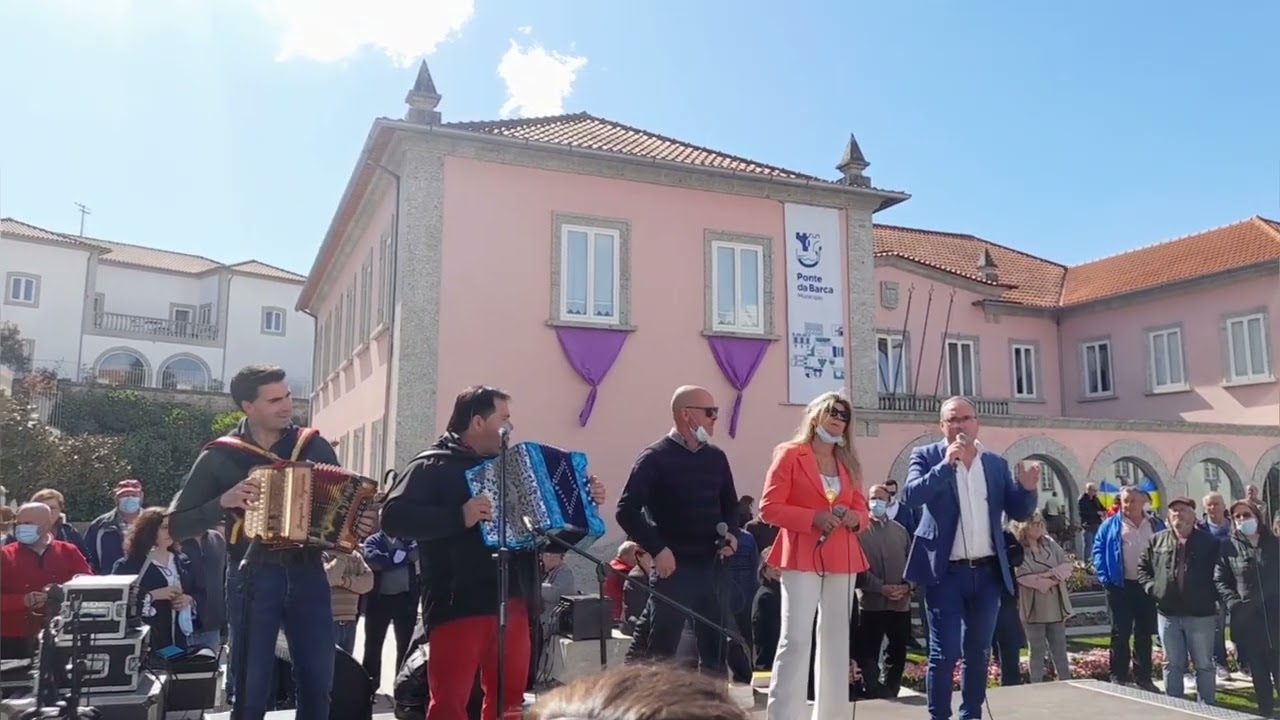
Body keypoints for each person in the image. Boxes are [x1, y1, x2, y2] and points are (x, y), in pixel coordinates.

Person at [380, 385, 607, 720]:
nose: (510, 428)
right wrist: (461, 516)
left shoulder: (511, 467)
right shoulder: (432, 465)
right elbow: (393, 519)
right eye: (504, 420)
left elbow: (543, 537)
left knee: (510, 700)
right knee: (449, 702)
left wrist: (585, 502)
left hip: (512, 597)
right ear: (477, 422)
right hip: (459, 600)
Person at [167, 364, 348, 720]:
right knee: (250, 688)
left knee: (318, 683)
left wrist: (358, 521)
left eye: (288, 396)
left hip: (308, 572)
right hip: (251, 576)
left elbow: (339, 509)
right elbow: (176, 525)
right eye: (274, 400)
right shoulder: (220, 455)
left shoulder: (314, 446)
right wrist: (223, 501)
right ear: (247, 406)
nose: (287, 406)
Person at [899, 396, 1038, 720]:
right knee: (944, 652)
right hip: (945, 573)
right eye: (952, 419)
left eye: (965, 418)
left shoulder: (995, 463)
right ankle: (939, 716)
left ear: (977, 422)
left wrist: (1028, 490)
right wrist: (946, 466)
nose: (960, 425)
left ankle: (971, 714)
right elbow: (911, 496)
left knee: (978, 653)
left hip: (987, 572)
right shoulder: (926, 455)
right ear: (942, 425)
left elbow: (1017, 510)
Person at [757, 391, 869, 719]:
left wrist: (856, 518)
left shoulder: (850, 462)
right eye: (833, 412)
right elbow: (769, 509)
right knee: (795, 638)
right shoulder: (790, 454)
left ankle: (830, 714)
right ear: (815, 414)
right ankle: (785, 715)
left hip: (843, 554)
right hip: (802, 554)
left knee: (836, 641)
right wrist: (813, 517)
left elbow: (862, 507)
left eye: (845, 415)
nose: (839, 418)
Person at [616, 385, 740, 672]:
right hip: (674, 568)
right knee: (662, 651)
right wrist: (657, 549)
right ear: (686, 415)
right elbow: (626, 510)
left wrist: (731, 534)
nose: (714, 419)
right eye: (710, 412)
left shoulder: (716, 457)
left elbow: (730, 506)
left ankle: (710, 710)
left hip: (712, 565)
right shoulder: (654, 458)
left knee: (715, 650)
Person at [1138, 496, 1220, 705]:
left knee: (1203, 665)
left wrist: (1213, 596)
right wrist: (1154, 589)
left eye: (1183, 510)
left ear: (1193, 515)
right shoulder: (1157, 540)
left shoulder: (1210, 542)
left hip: (1200, 614)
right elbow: (1143, 569)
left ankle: (1207, 708)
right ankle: (1174, 707)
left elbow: (1220, 573)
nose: (1178, 514)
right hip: (1168, 614)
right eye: (1174, 511)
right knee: (1171, 664)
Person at [0, 503, 92, 659]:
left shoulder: (68, 551)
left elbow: (88, 587)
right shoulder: (4, 555)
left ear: (47, 523)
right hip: (13, 640)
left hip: (62, 635)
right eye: (19, 523)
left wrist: (61, 592)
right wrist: (23, 601)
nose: (21, 528)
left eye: (28, 523)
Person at [1092, 486, 1162, 690]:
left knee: (1144, 633)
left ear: (1143, 502)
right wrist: (1105, 577)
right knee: (1120, 632)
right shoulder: (1110, 525)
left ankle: (1144, 678)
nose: (1129, 505)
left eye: (1133, 500)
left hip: (1147, 586)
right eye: (1125, 501)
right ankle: (1118, 676)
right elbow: (1098, 549)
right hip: (1120, 586)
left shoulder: (1155, 524)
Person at [1215, 499, 1279, 717]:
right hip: (1248, 622)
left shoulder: (1274, 544)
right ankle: (1266, 713)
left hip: (1275, 618)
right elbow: (1220, 579)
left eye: (1246, 514)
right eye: (1237, 516)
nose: (1242, 519)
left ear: (1257, 516)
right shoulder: (1227, 546)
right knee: (1260, 677)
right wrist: (1234, 603)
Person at [111, 508, 198, 652]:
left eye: (172, 527)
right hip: (148, 643)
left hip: (180, 640)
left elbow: (199, 592)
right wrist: (152, 596)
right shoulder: (128, 565)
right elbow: (118, 603)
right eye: (164, 527)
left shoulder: (183, 561)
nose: (170, 531)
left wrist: (187, 600)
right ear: (149, 531)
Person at [855, 484, 912, 698]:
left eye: (880, 498)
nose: (876, 502)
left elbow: (911, 563)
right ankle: (872, 688)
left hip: (900, 604)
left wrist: (907, 586)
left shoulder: (900, 531)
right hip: (872, 604)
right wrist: (880, 588)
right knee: (868, 650)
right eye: (872, 498)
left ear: (889, 501)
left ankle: (892, 688)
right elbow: (858, 568)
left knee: (897, 649)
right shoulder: (859, 532)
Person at [1010, 511, 1073, 683]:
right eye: (1035, 523)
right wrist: (1049, 577)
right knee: (1036, 650)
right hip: (1033, 605)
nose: (1039, 527)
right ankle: (1036, 684)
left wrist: (1049, 576)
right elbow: (1022, 575)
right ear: (1024, 526)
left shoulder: (1050, 544)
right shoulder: (1018, 549)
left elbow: (1067, 565)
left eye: (1040, 523)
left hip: (1056, 604)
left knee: (1059, 648)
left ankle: (1065, 681)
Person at [361, 529, 418, 691]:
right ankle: (370, 687)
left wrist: (392, 559)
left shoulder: (407, 538)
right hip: (379, 601)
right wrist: (397, 558)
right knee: (373, 644)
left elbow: (415, 552)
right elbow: (373, 560)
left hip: (405, 600)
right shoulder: (372, 541)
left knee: (405, 645)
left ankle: (402, 686)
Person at [84, 479, 144, 573]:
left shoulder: (153, 523)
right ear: (116, 498)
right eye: (124, 495)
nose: (129, 498)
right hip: (110, 583)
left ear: (141, 496)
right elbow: (88, 558)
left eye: (133, 495)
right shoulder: (100, 525)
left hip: (148, 585)